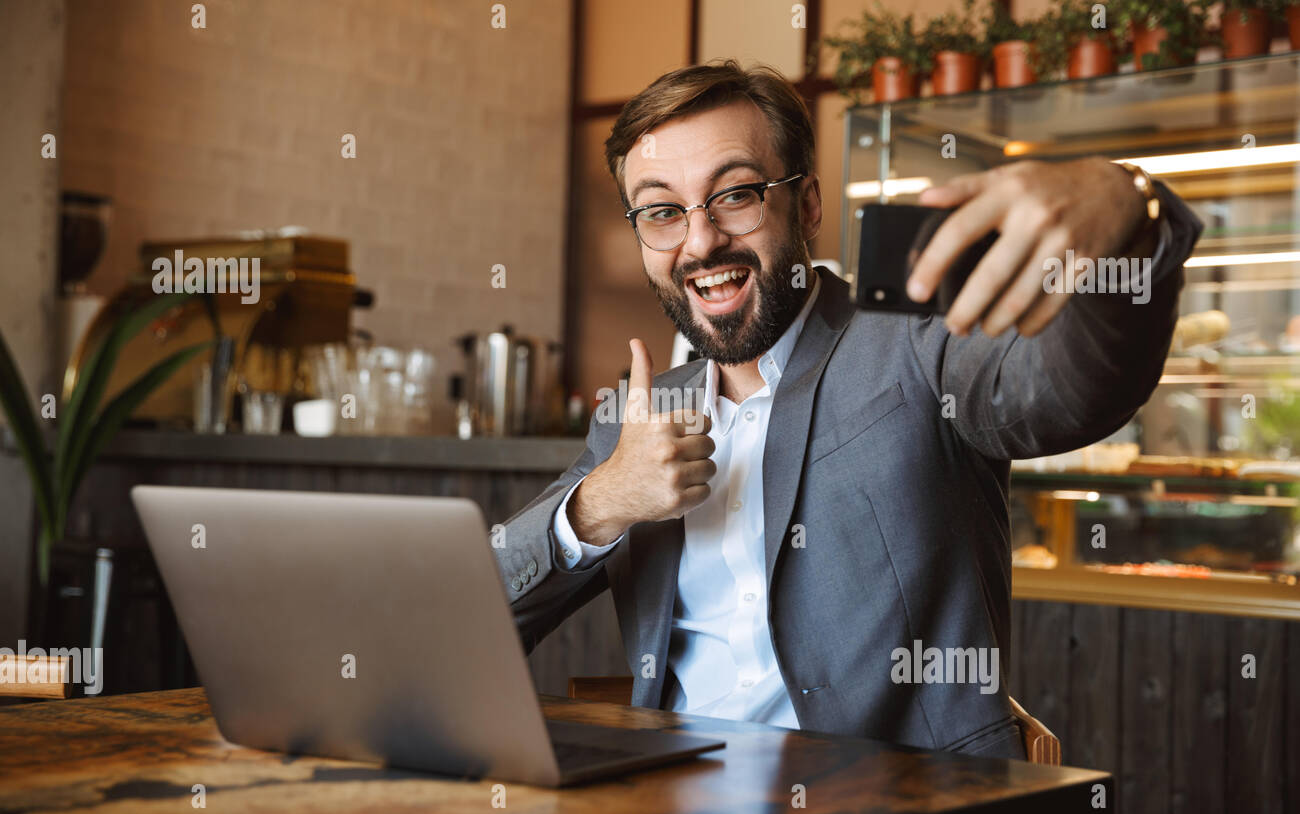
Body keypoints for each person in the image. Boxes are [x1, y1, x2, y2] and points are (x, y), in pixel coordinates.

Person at [494, 60, 1201, 760]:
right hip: (672, 809)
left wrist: (1129, 210)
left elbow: (1082, 393)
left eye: (736, 195)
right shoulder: (640, 414)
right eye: (662, 210)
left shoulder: (921, 347)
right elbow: (483, 611)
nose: (701, 240)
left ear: (806, 205)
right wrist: (601, 502)